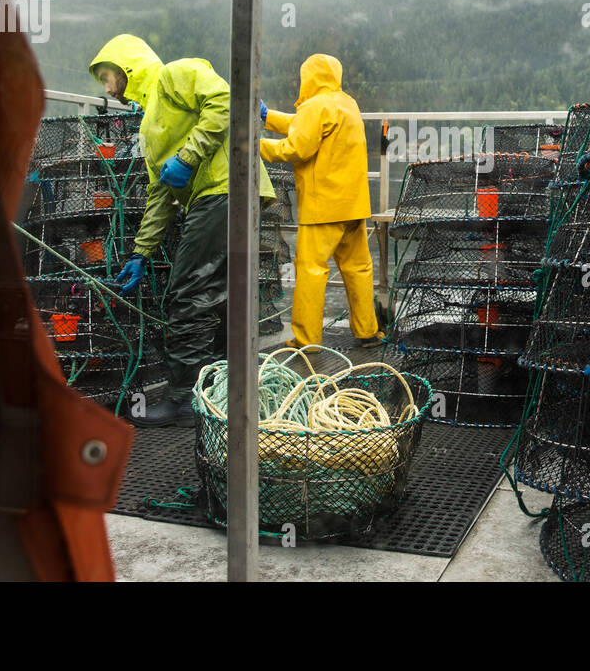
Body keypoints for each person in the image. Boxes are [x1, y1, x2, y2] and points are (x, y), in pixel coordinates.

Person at [90, 33, 275, 427]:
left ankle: (183, 399)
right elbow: (161, 193)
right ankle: (225, 387)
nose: (107, 87)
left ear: (129, 67)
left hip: (225, 189)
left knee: (189, 289)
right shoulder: (148, 124)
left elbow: (226, 101)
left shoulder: (174, 75)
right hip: (222, 196)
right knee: (221, 293)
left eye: (108, 76)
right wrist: (141, 252)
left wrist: (189, 158)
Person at [259, 54, 383, 350]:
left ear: (308, 77)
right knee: (359, 268)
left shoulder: (314, 106)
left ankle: (306, 339)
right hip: (354, 207)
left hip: (323, 209)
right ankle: (367, 332)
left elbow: (296, 147)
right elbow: (304, 125)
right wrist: (268, 117)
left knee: (311, 272)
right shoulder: (346, 102)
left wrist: (256, 145)